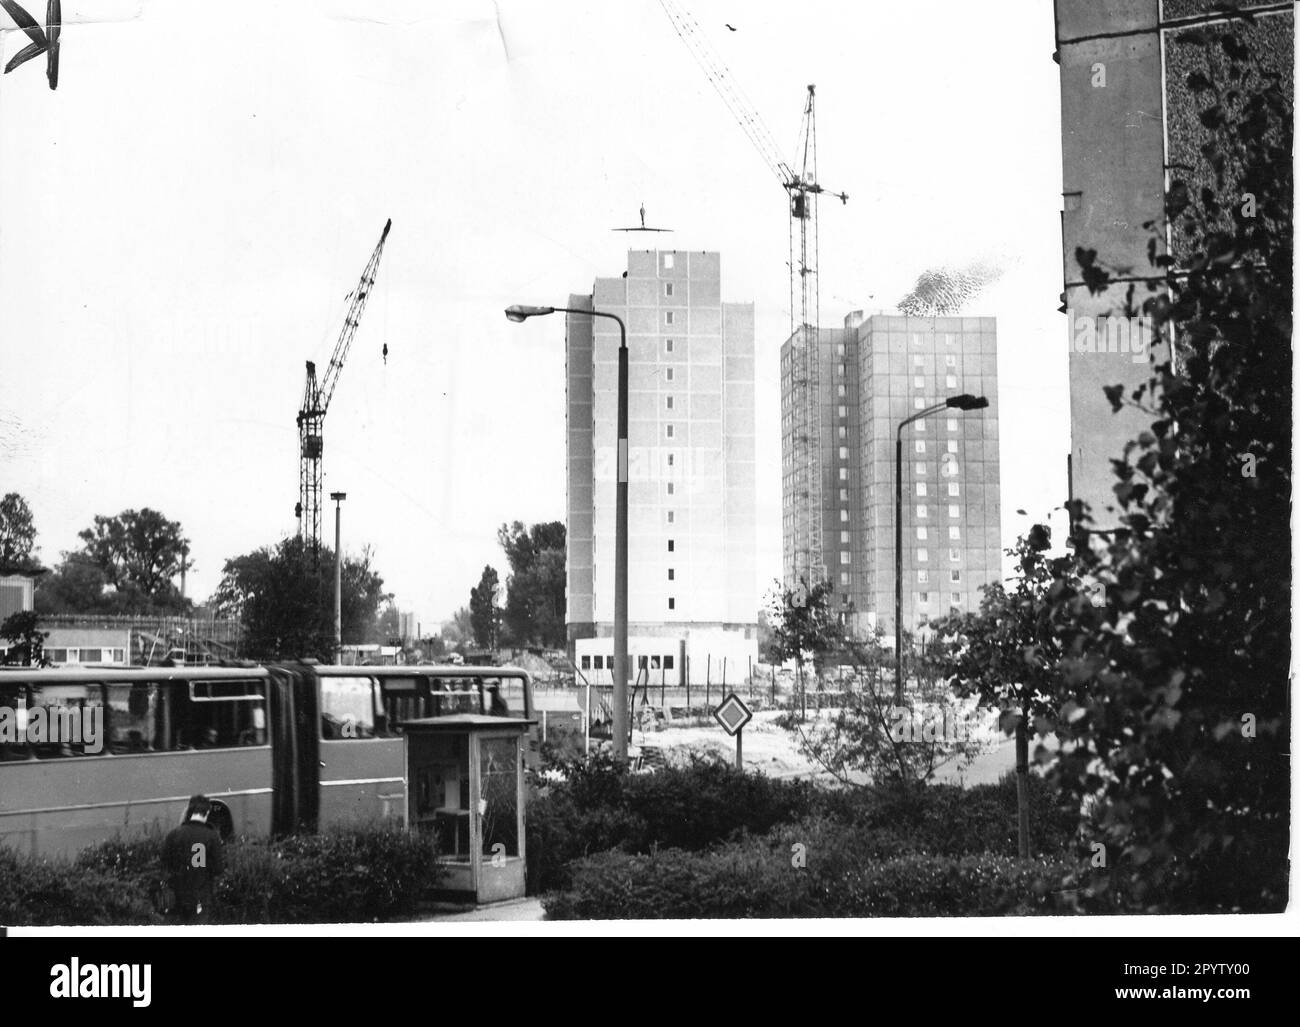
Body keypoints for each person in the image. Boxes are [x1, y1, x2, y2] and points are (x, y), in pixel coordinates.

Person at [162, 794, 226, 924]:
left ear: (190, 811)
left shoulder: (173, 835)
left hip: (178, 898)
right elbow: (218, 869)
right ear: (207, 812)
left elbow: (165, 863)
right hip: (201, 897)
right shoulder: (211, 836)